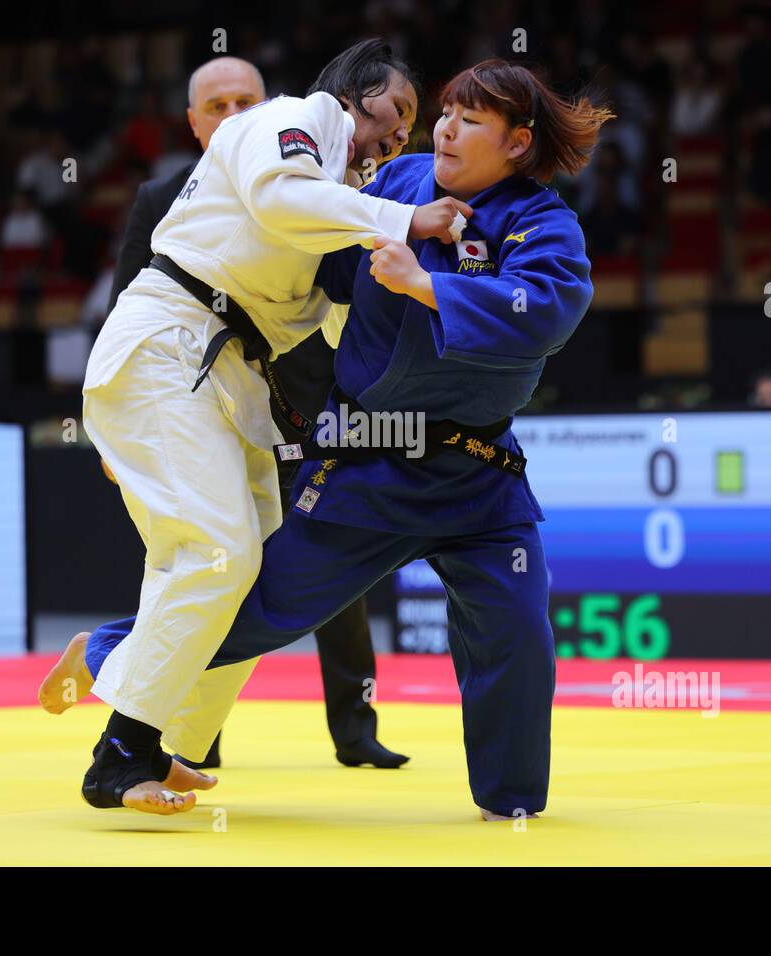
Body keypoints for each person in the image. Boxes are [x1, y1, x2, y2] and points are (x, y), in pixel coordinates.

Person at [82, 58, 611, 820]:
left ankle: (512, 801)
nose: (442, 128)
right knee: (259, 603)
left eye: (470, 119)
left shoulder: (541, 223)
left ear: (519, 143)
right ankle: (114, 657)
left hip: (479, 473)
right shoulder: (399, 186)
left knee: (519, 631)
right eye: (444, 113)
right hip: (370, 463)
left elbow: (549, 310)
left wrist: (426, 283)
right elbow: (303, 250)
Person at [40, 55, 407, 771]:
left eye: (410, 129)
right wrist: (408, 217)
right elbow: (278, 203)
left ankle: (171, 737)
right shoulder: (294, 122)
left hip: (241, 385)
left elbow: (335, 322)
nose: (400, 133)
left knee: (262, 572)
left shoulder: (334, 193)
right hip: (169, 353)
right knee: (217, 554)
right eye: (394, 110)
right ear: (350, 95)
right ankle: (126, 750)